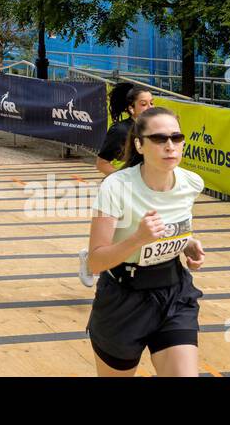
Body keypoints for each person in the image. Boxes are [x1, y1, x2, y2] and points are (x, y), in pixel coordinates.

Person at [81, 106, 206, 377]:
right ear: (139, 144)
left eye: (177, 138)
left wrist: (186, 243)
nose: (170, 146)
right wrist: (138, 238)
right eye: (159, 139)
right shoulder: (116, 186)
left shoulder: (192, 184)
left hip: (174, 291)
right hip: (123, 298)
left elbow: (170, 227)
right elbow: (95, 261)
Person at [97, 83, 154, 175]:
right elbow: (102, 163)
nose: (150, 107)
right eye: (144, 104)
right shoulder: (120, 130)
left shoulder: (154, 128)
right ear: (131, 109)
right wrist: (124, 180)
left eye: (151, 103)